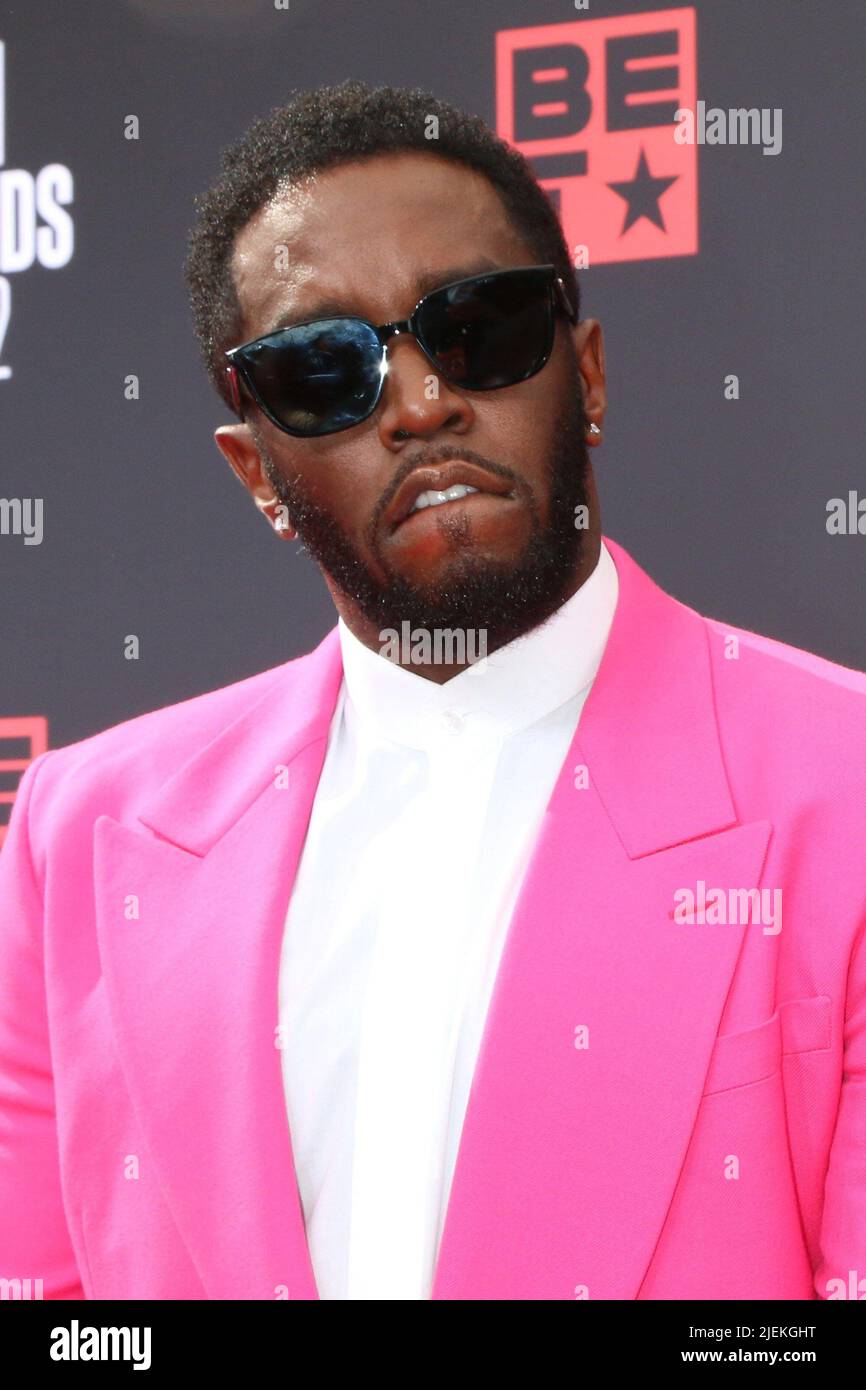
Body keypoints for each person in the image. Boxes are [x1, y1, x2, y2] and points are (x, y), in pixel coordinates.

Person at [1, 81, 863, 1302]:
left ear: (590, 375)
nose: (419, 404)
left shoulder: (844, 785)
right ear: (256, 471)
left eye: (481, 327)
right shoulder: (80, 835)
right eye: (322, 368)